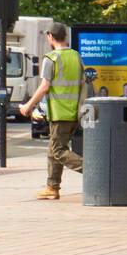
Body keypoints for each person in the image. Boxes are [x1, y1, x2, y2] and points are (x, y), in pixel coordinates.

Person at [21, 23, 84, 201]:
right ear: (65, 36)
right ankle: (52, 187)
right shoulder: (76, 56)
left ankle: (93, 169)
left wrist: (28, 106)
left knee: (58, 150)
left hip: (59, 112)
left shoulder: (51, 58)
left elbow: (45, 86)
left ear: (50, 37)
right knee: (52, 150)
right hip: (74, 112)